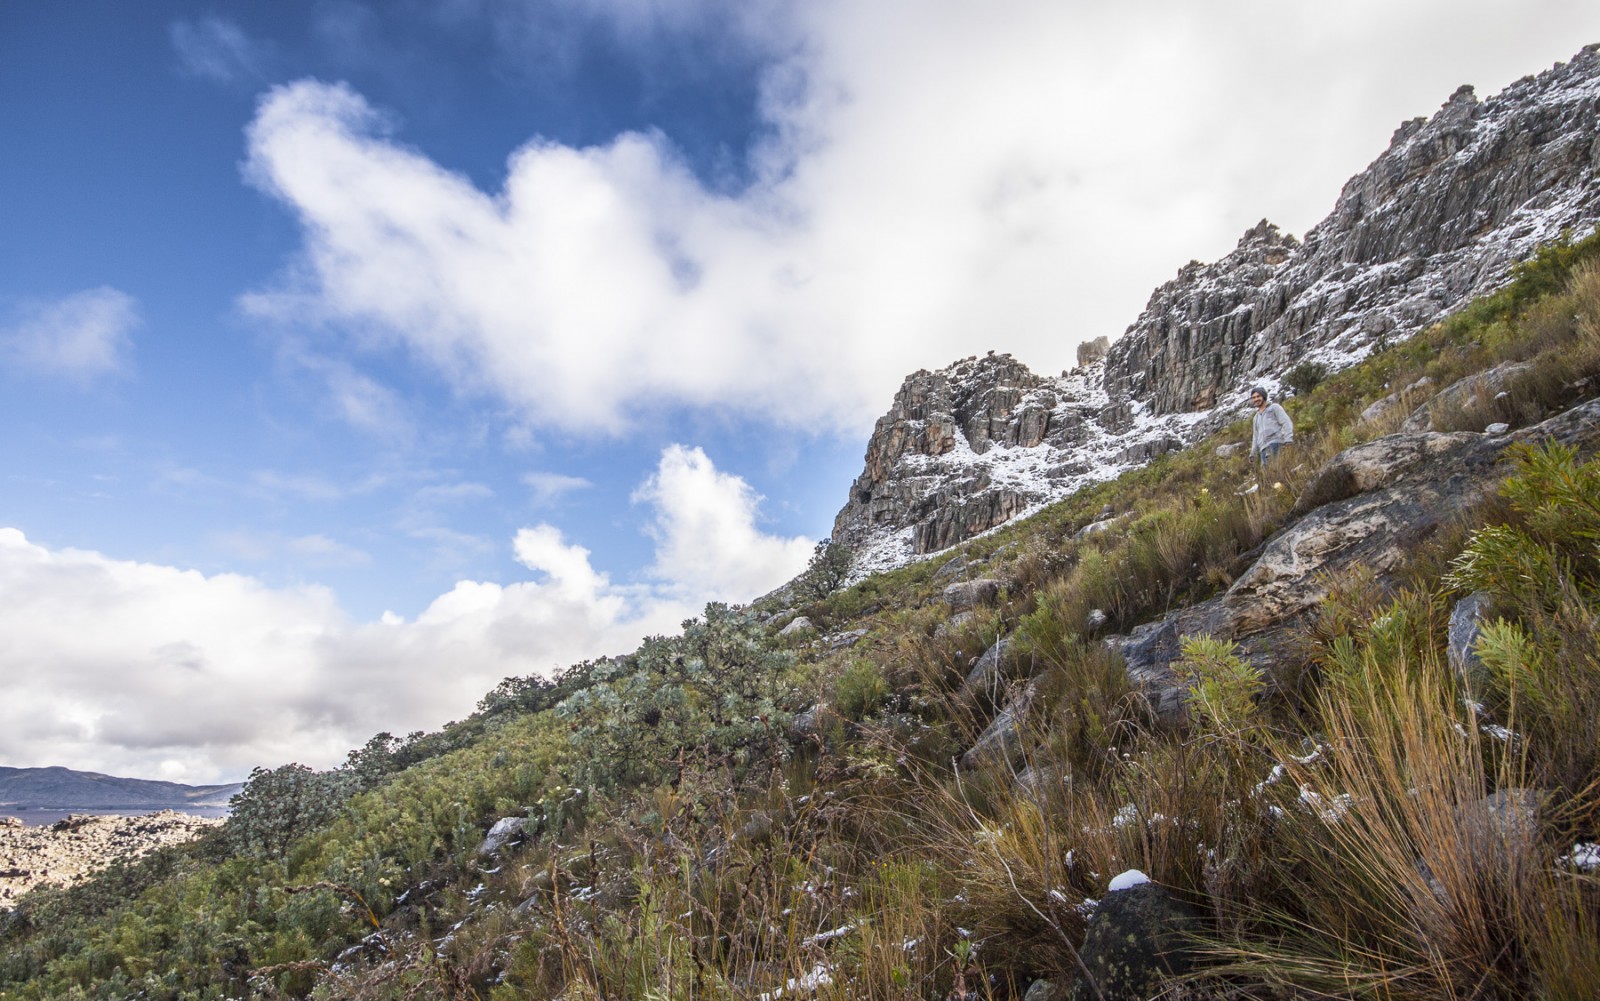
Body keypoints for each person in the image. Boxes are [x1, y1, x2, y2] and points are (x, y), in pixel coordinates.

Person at [1249, 385, 1293, 465]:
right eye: (1254, 397)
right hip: (1263, 450)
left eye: (1258, 396)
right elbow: (1255, 436)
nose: (1256, 399)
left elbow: (1286, 422)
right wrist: (1253, 453)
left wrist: (1288, 439)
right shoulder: (1256, 418)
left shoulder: (1274, 408)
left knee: (1277, 471)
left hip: (1276, 444)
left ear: (1264, 396)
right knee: (1267, 475)